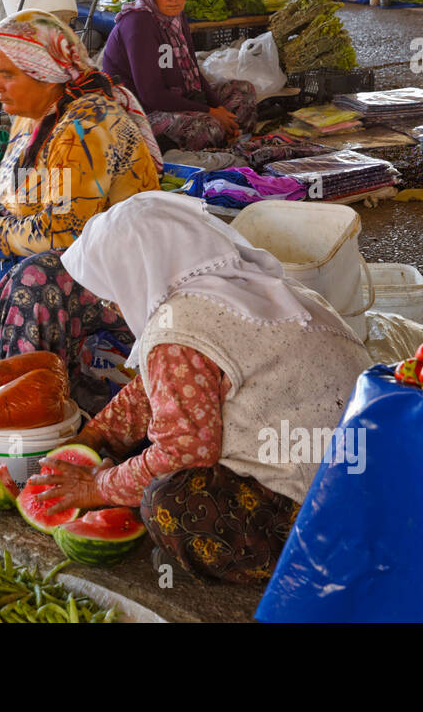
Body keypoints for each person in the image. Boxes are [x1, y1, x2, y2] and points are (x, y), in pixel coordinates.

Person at [32, 192, 372, 583]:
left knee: (167, 503)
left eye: (107, 287)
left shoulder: (176, 330)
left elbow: (186, 450)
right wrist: (93, 436)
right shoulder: (248, 287)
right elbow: (159, 390)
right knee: (151, 450)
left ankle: (301, 565)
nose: (109, 303)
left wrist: (98, 486)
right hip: (364, 478)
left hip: (314, 514)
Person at [0, 9, 162, 419]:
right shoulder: (33, 115)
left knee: (37, 277)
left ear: (46, 73)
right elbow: (17, 186)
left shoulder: (87, 127)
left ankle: (16, 398)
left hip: (118, 273)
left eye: (8, 75)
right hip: (48, 244)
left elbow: (66, 235)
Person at [101, 0, 257, 151]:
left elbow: (193, 67)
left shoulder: (175, 18)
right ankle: (212, 144)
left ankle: (231, 136)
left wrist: (221, 110)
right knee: (206, 126)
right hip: (138, 111)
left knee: (244, 91)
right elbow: (151, 95)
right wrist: (210, 112)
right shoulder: (139, 23)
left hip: (176, 95)